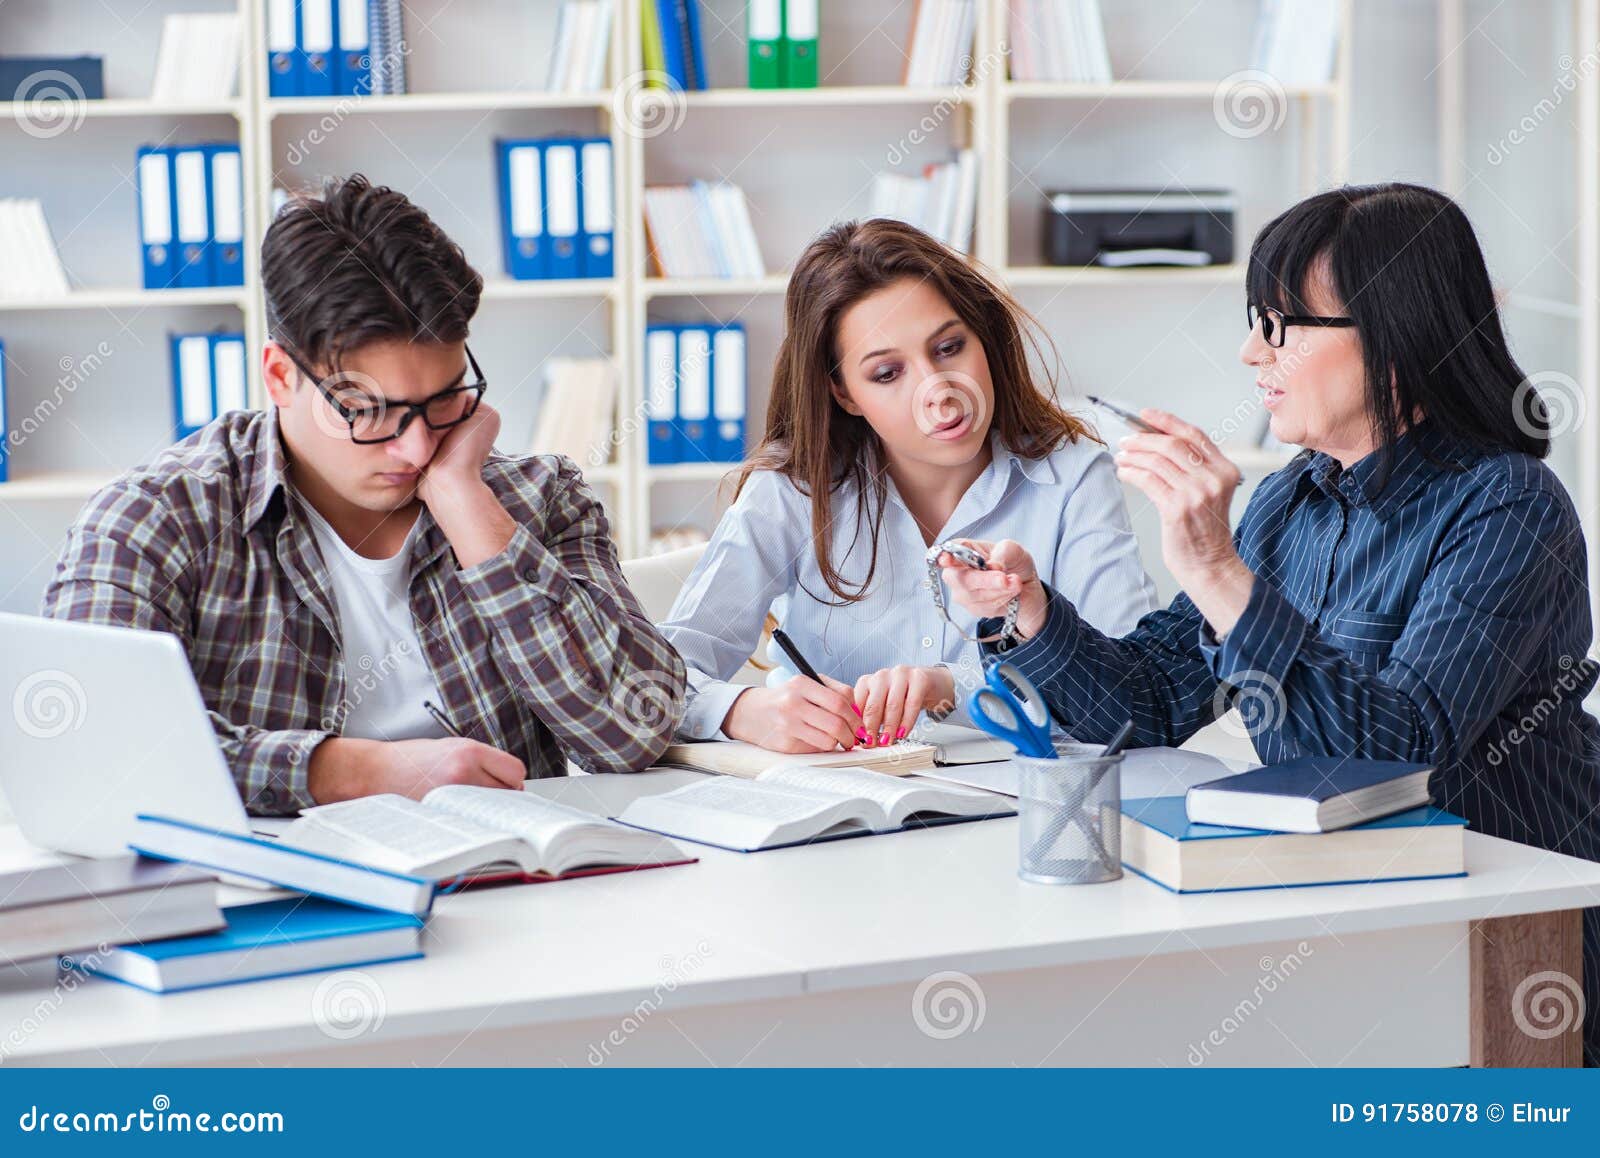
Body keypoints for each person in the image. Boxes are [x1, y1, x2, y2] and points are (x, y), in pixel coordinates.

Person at [935, 182, 1600, 1065]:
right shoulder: (1291, 501)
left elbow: (1396, 762)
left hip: (1514, 931)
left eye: (1281, 327)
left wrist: (1219, 571)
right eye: (1255, 320)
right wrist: (1033, 613)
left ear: (1394, 337)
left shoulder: (1508, 508)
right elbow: (1152, 703)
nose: (1252, 353)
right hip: (1357, 909)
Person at [42, 175, 684, 815]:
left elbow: (634, 732)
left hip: (523, 893)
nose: (414, 449)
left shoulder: (537, 498)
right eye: (368, 411)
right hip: (277, 907)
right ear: (279, 375)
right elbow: (93, 748)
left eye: (444, 400)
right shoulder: (155, 518)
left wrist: (466, 504)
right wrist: (361, 771)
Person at [660, 217, 1158, 753]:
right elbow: (656, 682)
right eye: (887, 374)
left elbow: (1126, 693)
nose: (939, 391)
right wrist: (742, 710)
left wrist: (952, 688)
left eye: (948, 348)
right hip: (841, 822)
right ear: (844, 394)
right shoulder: (792, 493)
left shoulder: (1074, 476)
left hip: (1020, 817)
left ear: (982, 338)